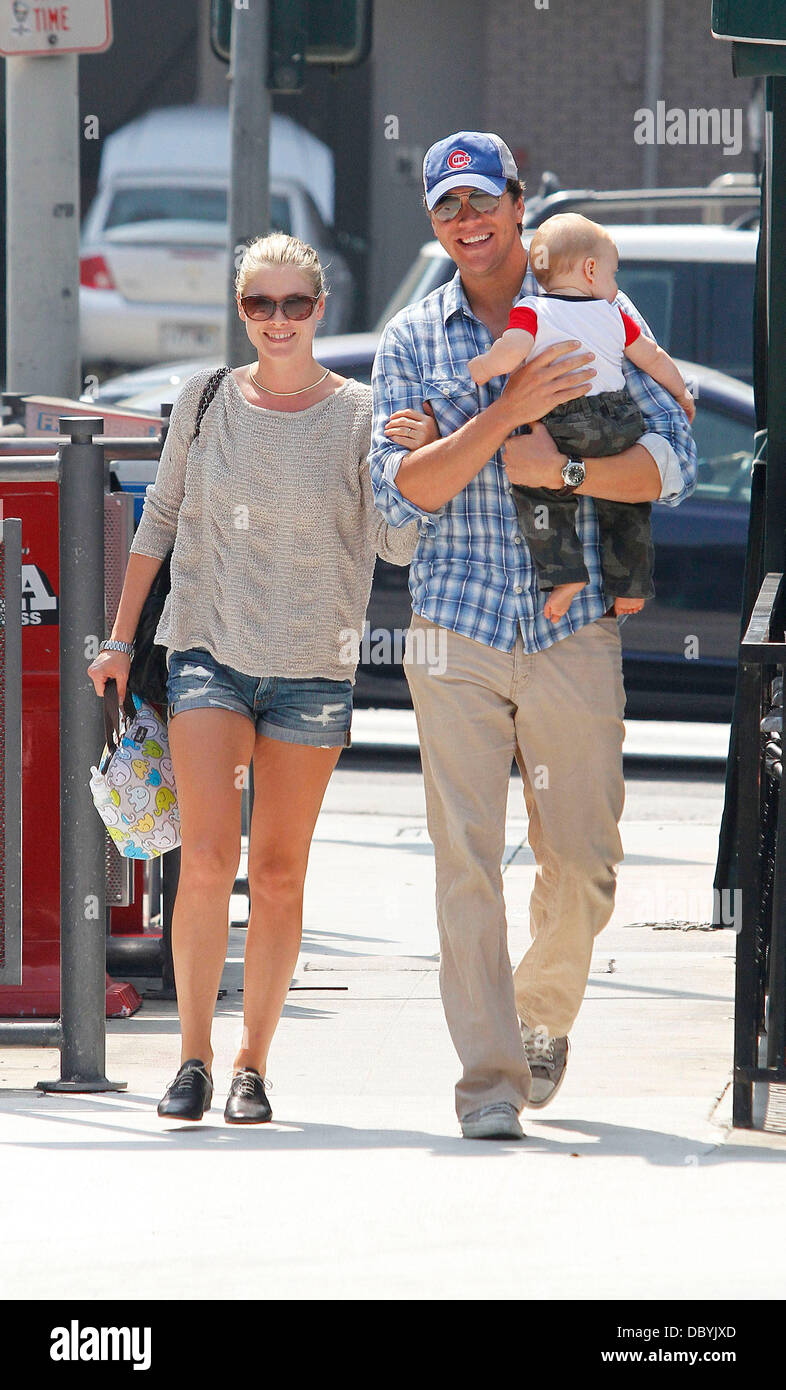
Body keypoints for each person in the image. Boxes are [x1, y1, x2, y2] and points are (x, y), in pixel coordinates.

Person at [369, 131, 697, 1141]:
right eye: (447, 210)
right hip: (456, 625)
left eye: (483, 203)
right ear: (435, 224)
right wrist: (504, 412)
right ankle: (491, 1082)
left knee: (586, 857)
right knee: (465, 860)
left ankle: (541, 1015)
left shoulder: (593, 308)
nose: (467, 225)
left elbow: (674, 462)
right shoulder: (416, 341)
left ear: (519, 205)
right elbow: (400, 507)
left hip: (575, 625)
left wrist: (554, 470)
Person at [88, 232, 418, 1125]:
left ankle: (253, 1064)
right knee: (206, 862)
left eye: (295, 304)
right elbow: (156, 526)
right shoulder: (202, 401)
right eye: (259, 305)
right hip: (208, 654)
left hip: (314, 667)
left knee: (277, 875)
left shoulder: (361, 414)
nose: (277, 320)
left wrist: (414, 467)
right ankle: (190, 1058)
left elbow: (396, 546)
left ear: (320, 310)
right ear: (241, 312)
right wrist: (118, 642)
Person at [468, 212, 695, 623]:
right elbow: (653, 357)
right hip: (618, 420)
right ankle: (630, 586)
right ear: (591, 270)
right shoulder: (613, 313)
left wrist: (484, 367)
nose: (616, 284)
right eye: (614, 274)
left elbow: (512, 350)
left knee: (539, 495)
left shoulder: (531, 309)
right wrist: (681, 392)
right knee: (627, 506)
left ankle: (565, 576)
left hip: (562, 424)